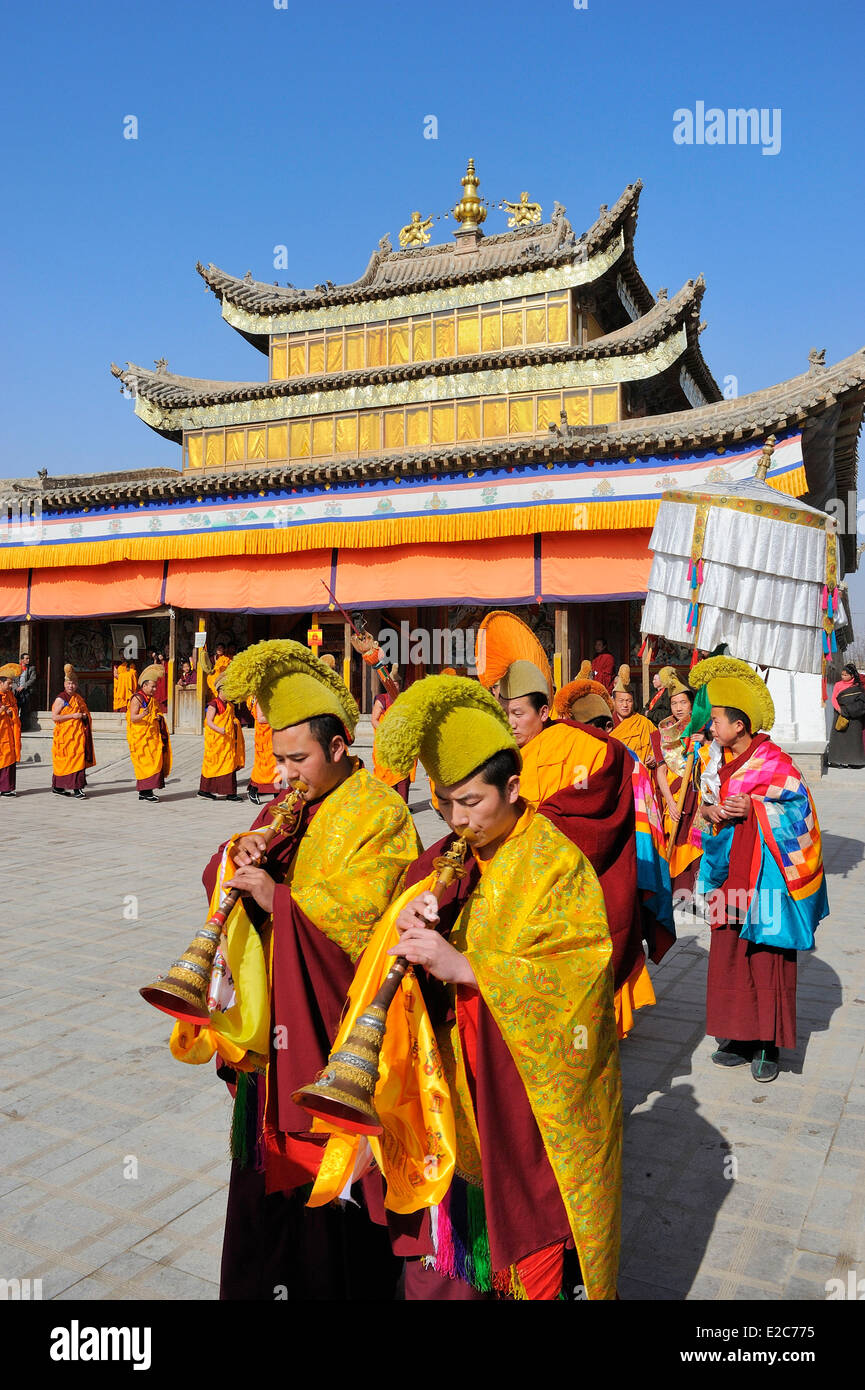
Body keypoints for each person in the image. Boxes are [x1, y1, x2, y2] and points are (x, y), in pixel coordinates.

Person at [167, 639, 422, 1299]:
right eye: (278, 759)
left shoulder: (382, 815)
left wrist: (276, 898)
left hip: (332, 1034)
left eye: (297, 759)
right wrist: (238, 850)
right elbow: (231, 872)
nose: (283, 775)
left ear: (341, 748)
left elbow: (367, 923)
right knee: (263, 1176)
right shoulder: (287, 806)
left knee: (332, 1193)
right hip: (272, 1037)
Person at [363, 675, 621, 1300]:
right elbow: (387, 937)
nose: (457, 819)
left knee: (521, 1251)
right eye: (445, 803)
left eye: (472, 802)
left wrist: (474, 970)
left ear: (512, 788)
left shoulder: (554, 863)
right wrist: (399, 923)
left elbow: (580, 974)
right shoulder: (448, 855)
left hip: (516, 1094)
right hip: (447, 1085)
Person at [477, 611, 671, 1038]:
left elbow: (593, 808)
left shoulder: (581, 745)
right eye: (505, 713)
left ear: (544, 711)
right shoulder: (507, 755)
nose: (510, 723)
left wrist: (538, 824)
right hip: (522, 882)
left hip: (574, 882)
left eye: (518, 714)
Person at [692, 657, 828, 1083]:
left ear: (739, 723)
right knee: (730, 954)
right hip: (729, 873)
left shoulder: (774, 762)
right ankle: (738, 1036)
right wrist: (711, 810)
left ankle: (768, 1044)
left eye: (716, 720)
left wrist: (755, 807)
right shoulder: (715, 760)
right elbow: (701, 812)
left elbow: (799, 811)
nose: (711, 728)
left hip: (767, 879)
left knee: (766, 957)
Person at [650, 676, 706, 893]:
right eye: (674, 703)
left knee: (697, 836)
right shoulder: (663, 732)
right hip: (674, 794)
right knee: (675, 832)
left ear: (691, 703)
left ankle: (698, 886)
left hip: (698, 792)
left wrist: (704, 741)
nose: (679, 708)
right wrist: (670, 802)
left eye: (683, 702)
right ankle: (676, 888)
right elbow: (661, 772)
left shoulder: (702, 728)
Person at [127, 665, 172, 802]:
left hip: (152, 736)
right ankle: (146, 793)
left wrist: (158, 717)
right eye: (152, 687)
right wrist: (143, 715)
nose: (154, 689)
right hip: (140, 737)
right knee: (145, 764)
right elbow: (132, 718)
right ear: (144, 685)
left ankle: (145, 792)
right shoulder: (137, 699)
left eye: (155, 687)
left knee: (154, 762)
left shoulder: (151, 700)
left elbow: (157, 712)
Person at [371, 671, 416, 804]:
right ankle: (387, 802)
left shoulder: (403, 699)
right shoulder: (382, 699)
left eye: (397, 684)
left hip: (401, 743)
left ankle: (401, 803)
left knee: (402, 773)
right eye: (392, 683)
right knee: (385, 772)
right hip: (385, 742)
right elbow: (374, 720)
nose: (394, 686)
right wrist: (388, 733)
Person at [51, 664, 94, 799]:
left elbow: (84, 712)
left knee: (77, 760)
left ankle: (73, 788)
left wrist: (84, 716)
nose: (71, 686)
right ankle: (64, 787)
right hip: (65, 737)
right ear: (64, 684)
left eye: (74, 684)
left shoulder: (78, 698)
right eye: (69, 683)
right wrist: (72, 716)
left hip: (77, 736)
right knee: (64, 762)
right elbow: (55, 717)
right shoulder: (61, 699)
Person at [199, 675, 246, 800]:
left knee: (229, 764)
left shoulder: (229, 705)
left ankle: (230, 793)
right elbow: (209, 721)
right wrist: (219, 729)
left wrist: (235, 723)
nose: (229, 694)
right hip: (216, 741)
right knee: (213, 765)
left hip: (227, 741)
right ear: (220, 691)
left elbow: (231, 719)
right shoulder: (213, 704)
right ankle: (205, 791)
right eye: (227, 691)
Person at [609, 665, 656, 767]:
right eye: (621, 701)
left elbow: (660, 744)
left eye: (629, 701)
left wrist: (654, 757)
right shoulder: (607, 724)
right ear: (613, 701)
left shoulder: (643, 722)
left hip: (639, 776)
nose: (625, 705)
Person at [827, 663, 865, 769]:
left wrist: (850, 710)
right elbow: (834, 698)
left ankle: (854, 762)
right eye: (842, 675)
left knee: (853, 739)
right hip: (840, 715)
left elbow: (861, 701)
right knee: (839, 738)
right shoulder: (838, 685)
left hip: (854, 717)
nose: (843, 677)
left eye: (845, 675)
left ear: (852, 675)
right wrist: (840, 710)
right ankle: (836, 761)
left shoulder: (858, 686)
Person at [246, 698, 278, 804]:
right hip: (264, 737)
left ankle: (277, 793)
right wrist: (276, 718)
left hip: (272, 735)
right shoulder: (260, 700)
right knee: (263, 767)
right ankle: (253, 789)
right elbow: (260, 718)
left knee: (276, 765)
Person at [0, 663, 22, 796]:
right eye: (9, 683)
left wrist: (10, 711)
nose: (11, 686)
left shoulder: (9, 695)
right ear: (0, 682)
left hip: (9, 732)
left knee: (9, 760)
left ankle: (6, 788)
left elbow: (14, 709)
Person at [13, 654, 37, 731]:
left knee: (25, 710)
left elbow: (32, 679)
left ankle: (24, 727)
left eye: (29, 658)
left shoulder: (31, 668)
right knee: (15, 709)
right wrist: (16, 687)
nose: (28, 660)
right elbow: (12, 679)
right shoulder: (16, 668)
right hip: (16, 691)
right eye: (26, 658)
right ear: (22, 660)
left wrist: (23, 686)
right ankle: (15, 726)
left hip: (25, 691)